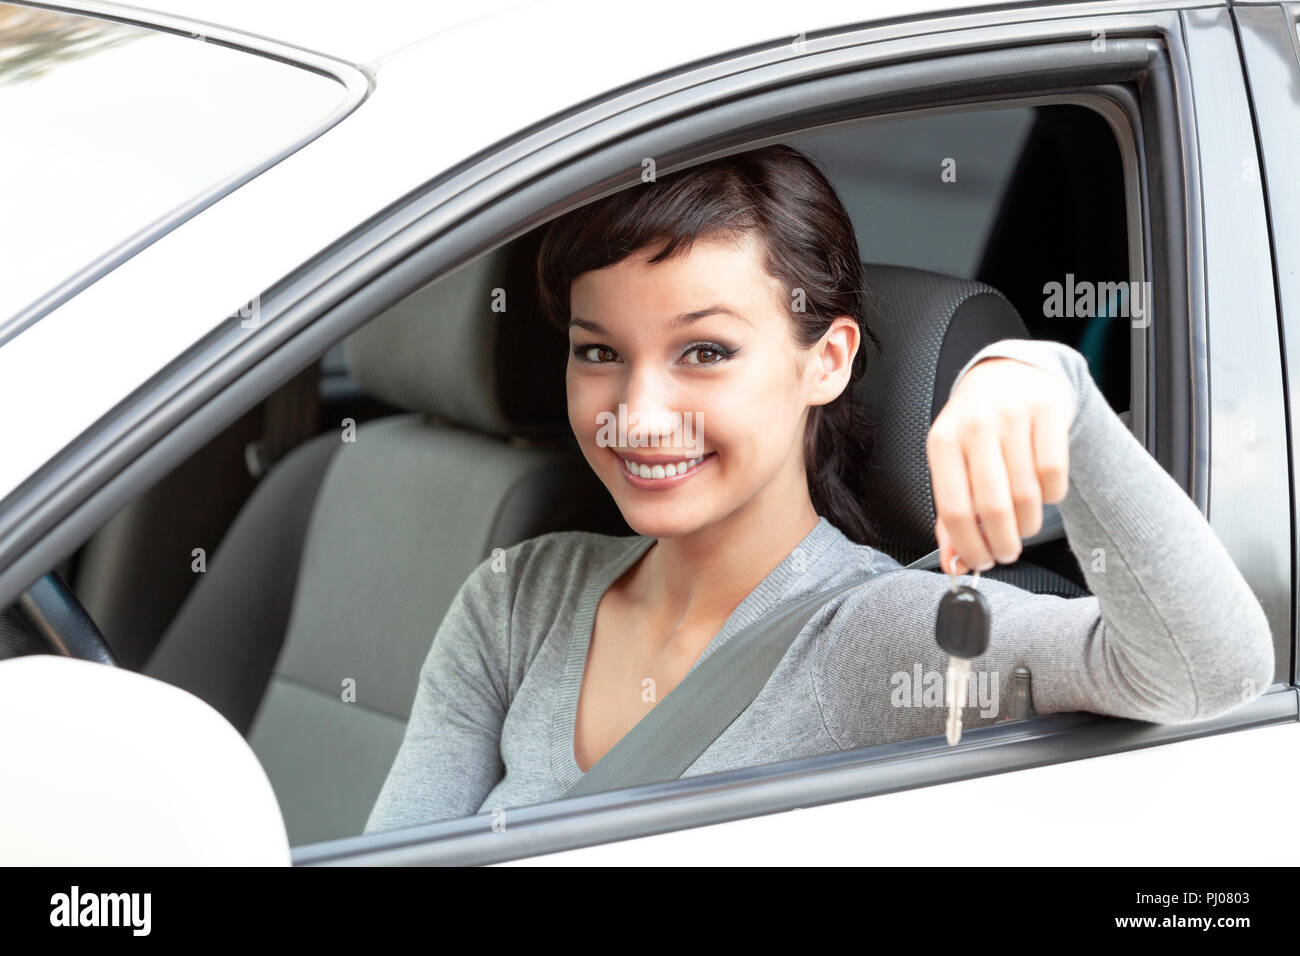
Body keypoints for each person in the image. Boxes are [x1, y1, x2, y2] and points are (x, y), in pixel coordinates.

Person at [363, 144, 1274, 832]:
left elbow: (1210, 670)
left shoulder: (884, 635)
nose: (638, 413)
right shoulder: (517, 600)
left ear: (827, 362)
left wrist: (1055, 388)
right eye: (598, 351)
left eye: (706, 352)